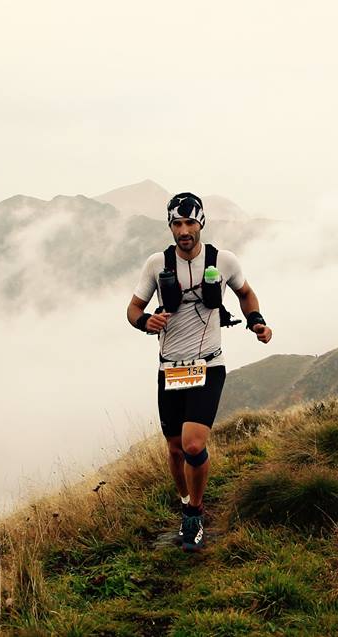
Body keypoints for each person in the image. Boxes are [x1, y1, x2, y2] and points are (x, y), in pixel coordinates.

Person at [126, 192, 272, 551]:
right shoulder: (155, 264)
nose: (184, 230)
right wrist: (147, 321)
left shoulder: (224, 261)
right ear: (170, 226)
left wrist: (257, 321)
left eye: (190, 223)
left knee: (193, 444)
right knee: (175, 449)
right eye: (177, 223)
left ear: (201, 223)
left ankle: (195, 511)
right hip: (170, 368)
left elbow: (246, 293)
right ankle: (184, 502)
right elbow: (132, 309)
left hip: (209, 363)